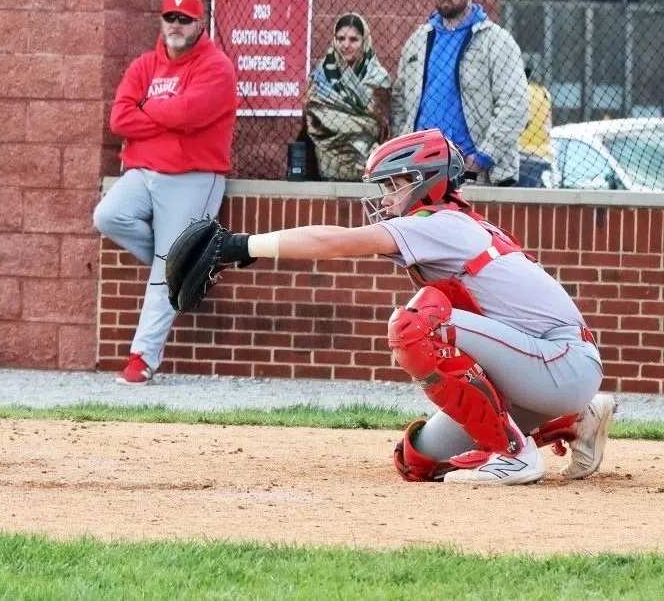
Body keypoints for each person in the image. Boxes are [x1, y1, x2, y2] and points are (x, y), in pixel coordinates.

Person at [192, 128, 616, 485]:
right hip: (542, 370)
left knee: (418, 325)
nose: (388, 197)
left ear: (428, 181)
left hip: (560, 362)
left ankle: (514, 454)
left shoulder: (443, 223)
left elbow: (336, 243)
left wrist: (244, 245)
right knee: (418, 460)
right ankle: (576, 421)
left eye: (396, 185)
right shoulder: (448, 223)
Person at [94, 0, 237, 385]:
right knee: (108, 215)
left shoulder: (216, 66)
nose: (176, 25)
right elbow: (120, 119)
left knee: (165, 261)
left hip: (194, 175)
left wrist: (149, 112)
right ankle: (189, 267)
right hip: (144, 172)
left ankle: (142, 359)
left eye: (184, 19)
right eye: (170, 17)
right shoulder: (144, 65)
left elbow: (189, 114)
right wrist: (167, 121)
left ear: (199, 24)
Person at [391, 0, 530, 187]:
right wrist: (404, 149)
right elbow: (398, 101)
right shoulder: (418, 40)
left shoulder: (496, 41)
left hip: (470, 170)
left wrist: (483, 157)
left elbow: (515, 105)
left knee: (465, 221)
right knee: (420, 222)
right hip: (420, 167)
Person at [302, 12, 391, 181]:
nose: (346, 45)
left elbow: (376, 124)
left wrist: (336, 119)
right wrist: (359, 124)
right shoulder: (320, 77)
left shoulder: (378, 77)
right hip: (328, 165)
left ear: (364, 42)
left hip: (368, 167)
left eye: (353, 39)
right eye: (340, 38)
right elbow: (314, 117)